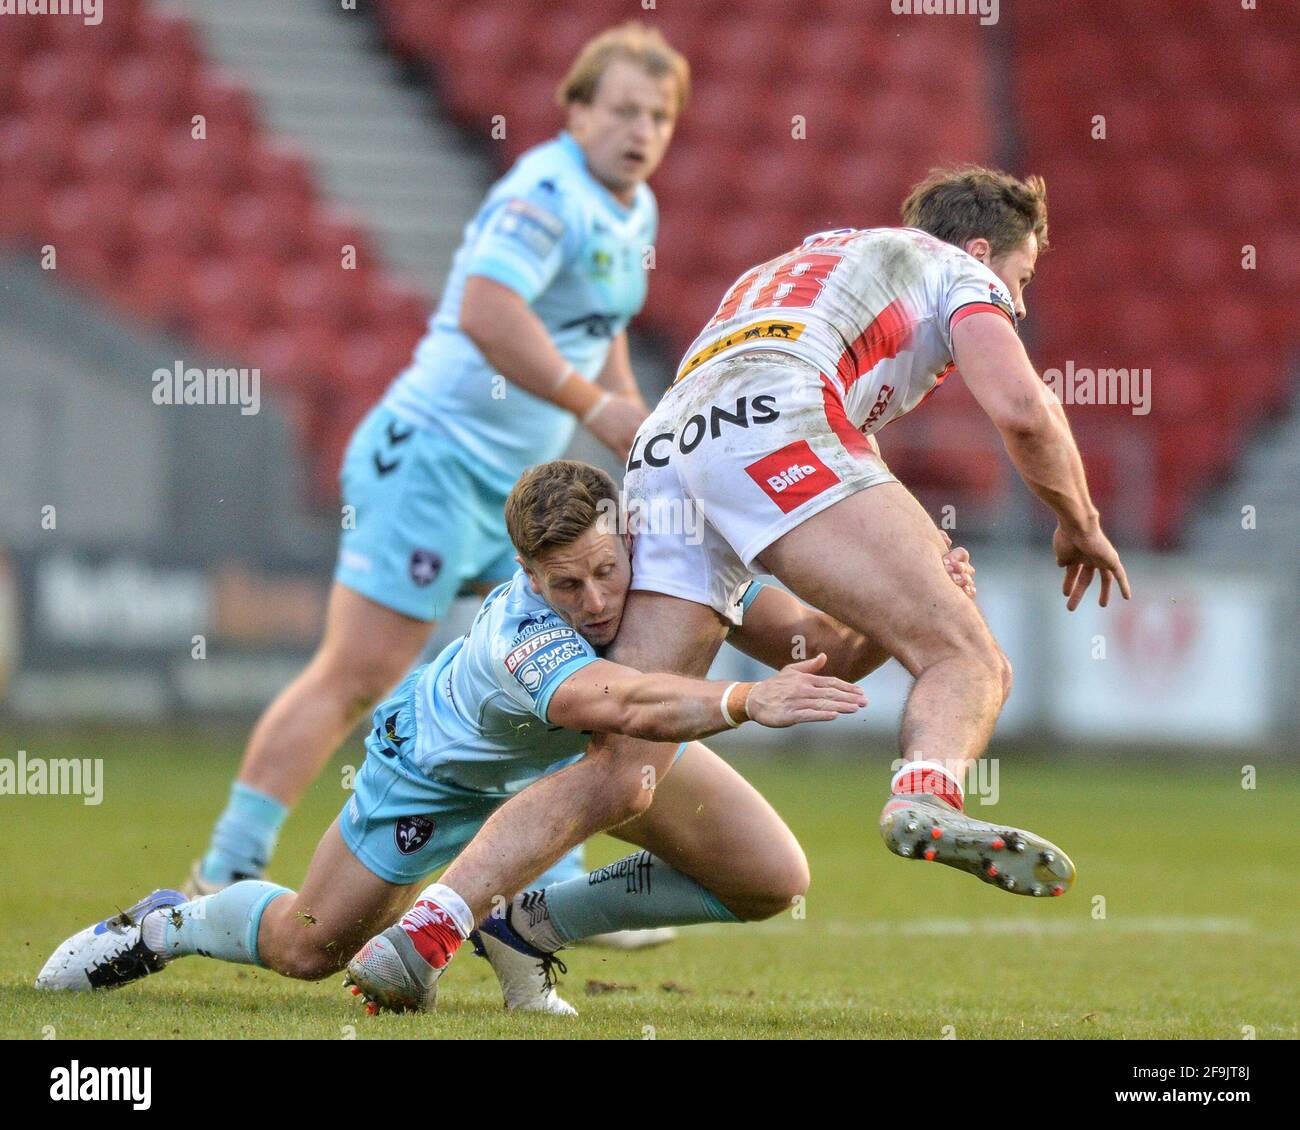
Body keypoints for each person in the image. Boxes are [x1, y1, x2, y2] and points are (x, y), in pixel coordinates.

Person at [339, 166, 1131, 1012]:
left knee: (627, 768)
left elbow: (820, 650)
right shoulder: (955, 272)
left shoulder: (812, 259)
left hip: (667, 443)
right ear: (981, 249)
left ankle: (426, 933)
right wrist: (1077, 518)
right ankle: (925, 797)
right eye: (1023, 276)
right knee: (970, 657)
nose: (1019, 296)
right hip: (779, 413)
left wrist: (883, 594)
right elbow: (1021, 407)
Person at [37, 462, 892, 1015]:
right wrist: (746, 700)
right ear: (527, 574)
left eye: (606, 570)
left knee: (771, 877)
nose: (596, 600)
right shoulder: (521, 632)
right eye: (567, 583)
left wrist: (906, 621)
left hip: (577, 765)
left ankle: (527, 921)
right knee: (310, 948)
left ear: (626, 538)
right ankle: (167, 925)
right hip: (436, 773)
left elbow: (815, 649)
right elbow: (619, 699)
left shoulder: (663, 571)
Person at [186, 23, 688, 915]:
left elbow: (597, 317)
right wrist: (590, 404)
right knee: (359, 671)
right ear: (574, 109)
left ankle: (540, 879)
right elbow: (487, 310)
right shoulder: (544, 190)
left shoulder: (631, 208)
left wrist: (628, 416)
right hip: (432, 458)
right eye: (621, 110)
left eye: (658, 115)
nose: (640, 130)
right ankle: (224, 868)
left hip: (508, 482)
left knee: (557, 665)